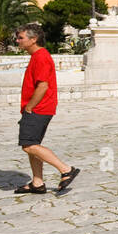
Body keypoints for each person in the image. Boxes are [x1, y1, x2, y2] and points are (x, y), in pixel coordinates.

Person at [12, 23, 80, 195]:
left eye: (21, 38)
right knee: (33, 144)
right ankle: (37, 182)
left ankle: (66, 169)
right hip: (39, 108)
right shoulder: (37, 56)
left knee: (28, 145)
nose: (17, 40)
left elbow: (43, 86)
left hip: (39, 109)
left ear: (33, 39)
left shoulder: (41, 57)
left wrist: (30, 107)